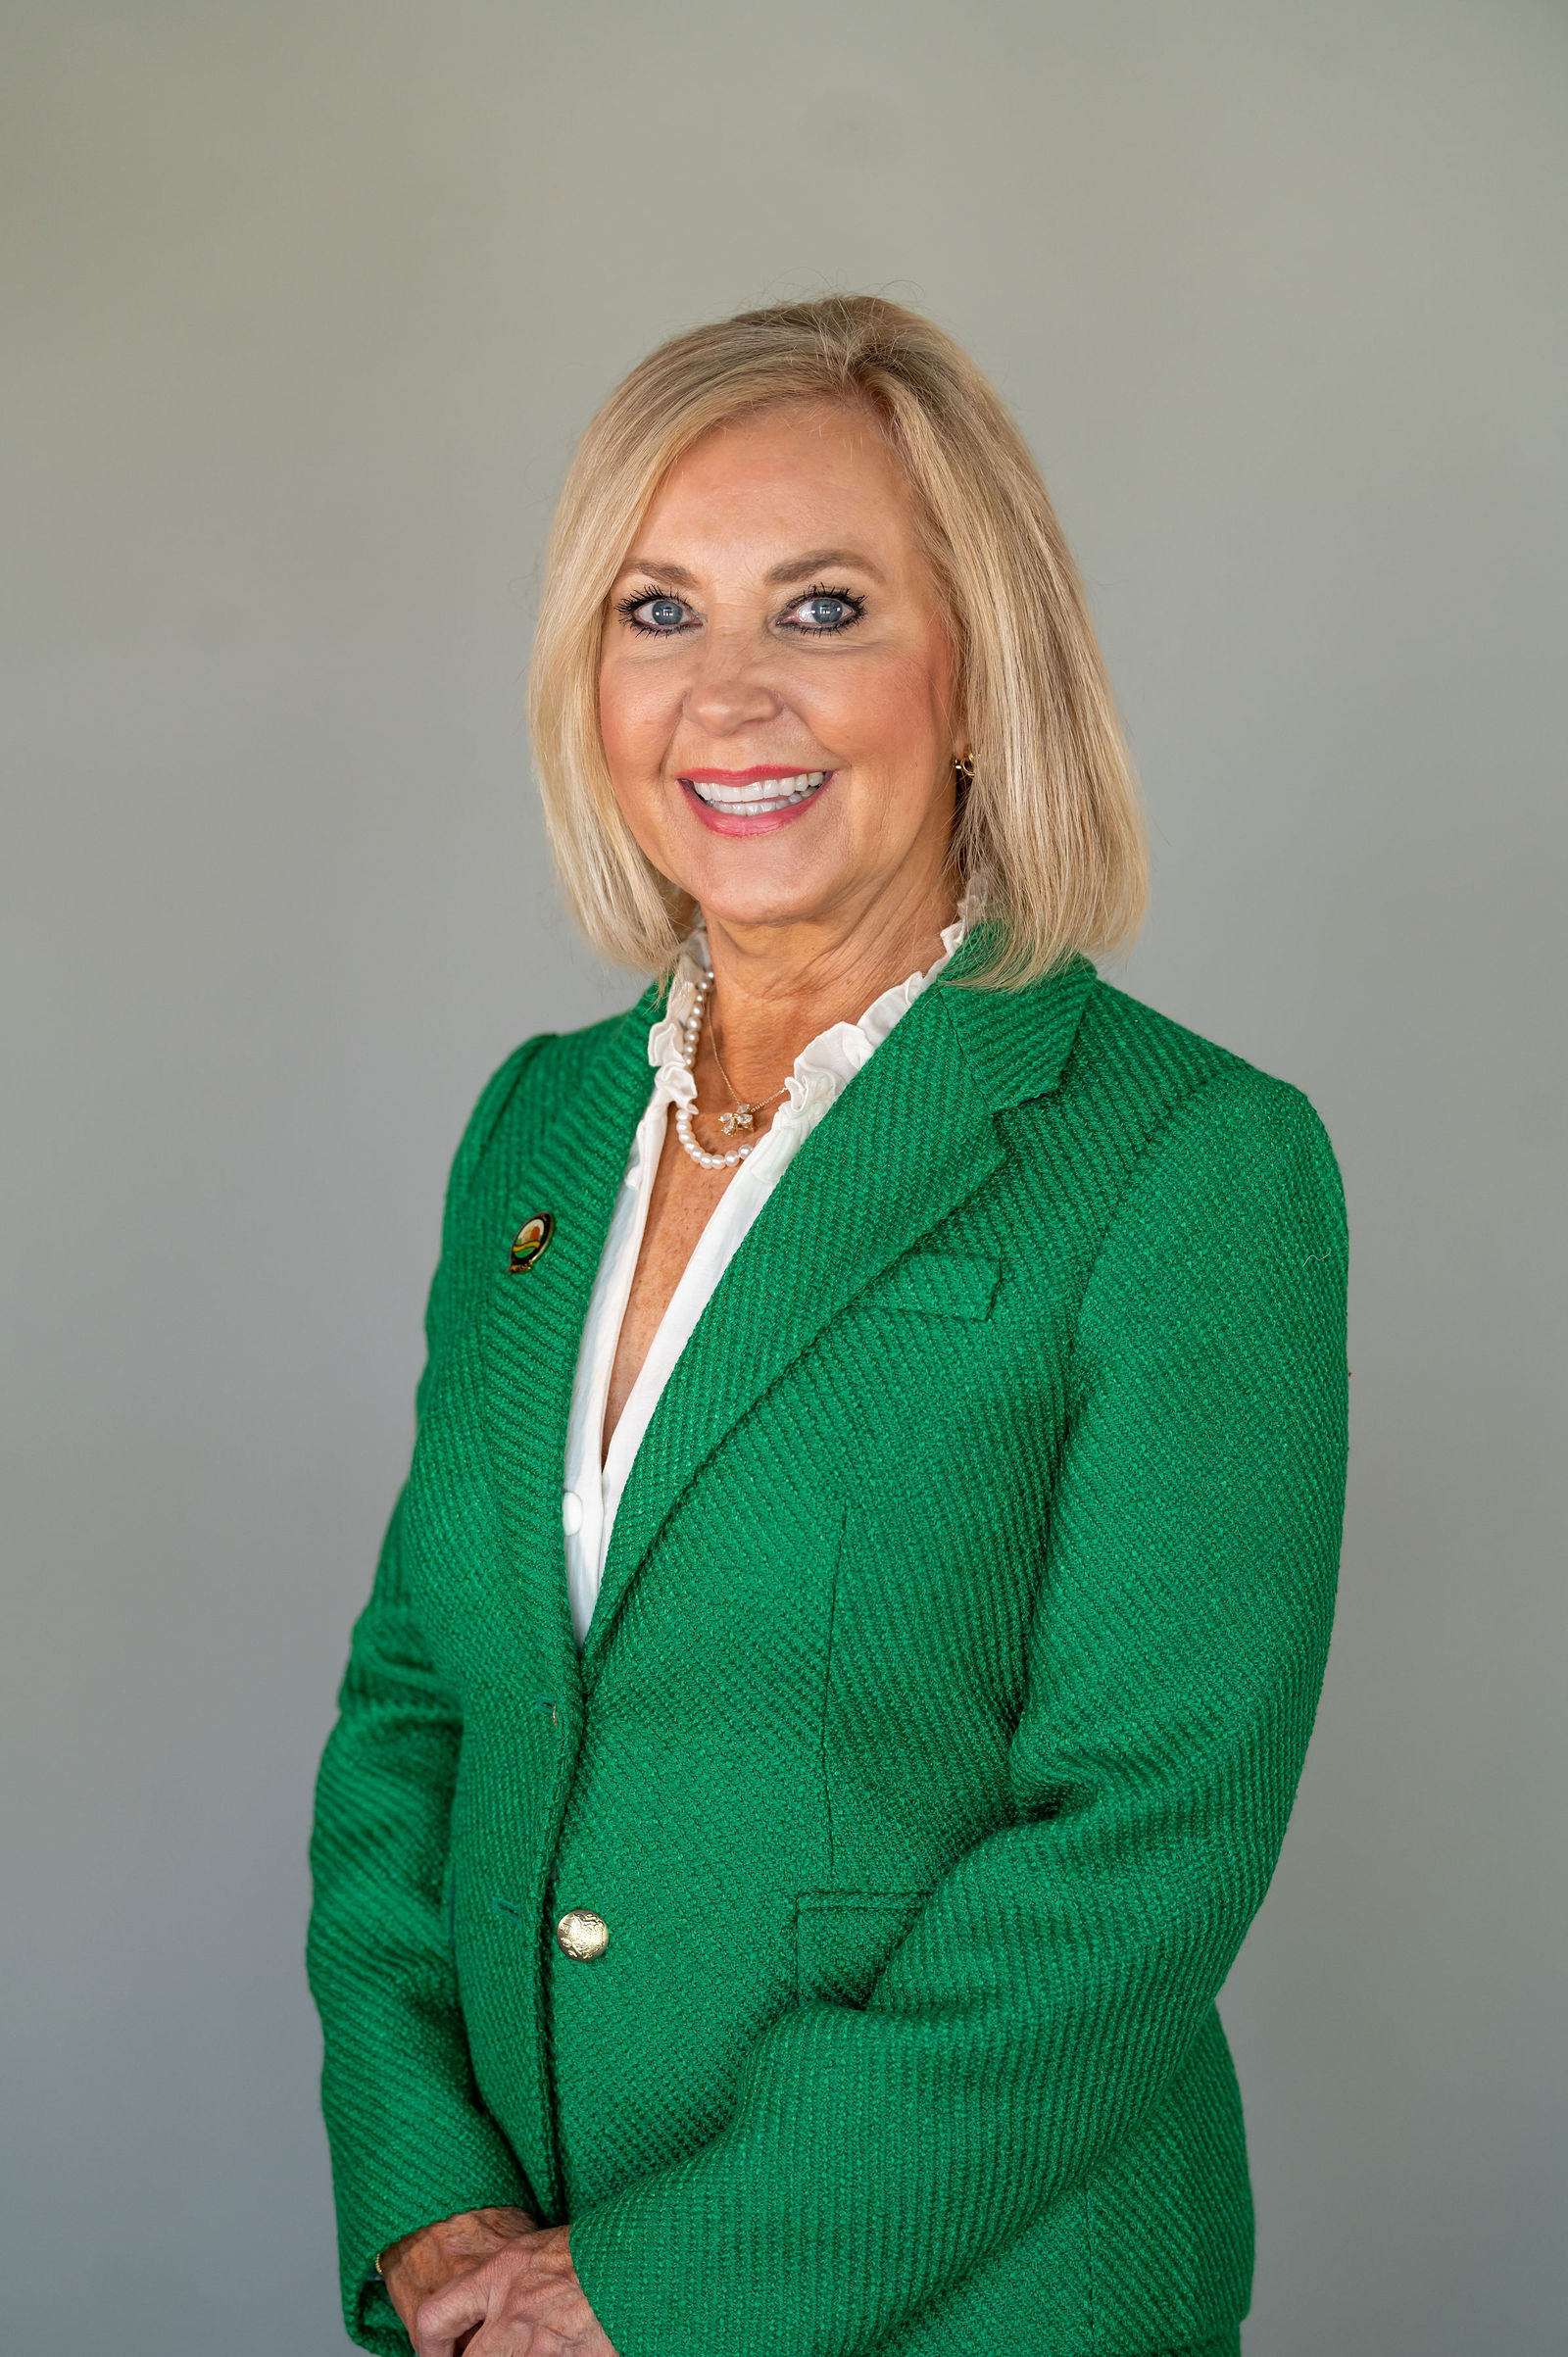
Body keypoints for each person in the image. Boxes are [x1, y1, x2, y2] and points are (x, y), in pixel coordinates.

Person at [307, 294, 1348, 2357]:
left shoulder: (1188, 1166)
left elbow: (1137, 1853)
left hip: (973, 2305)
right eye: (653, 611)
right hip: (512, 2292)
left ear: (976, 672)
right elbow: (420, 1707)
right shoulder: (535, 1125)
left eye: (823, 608)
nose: (725, 700)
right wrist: (426, 2208)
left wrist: (653, 2288)